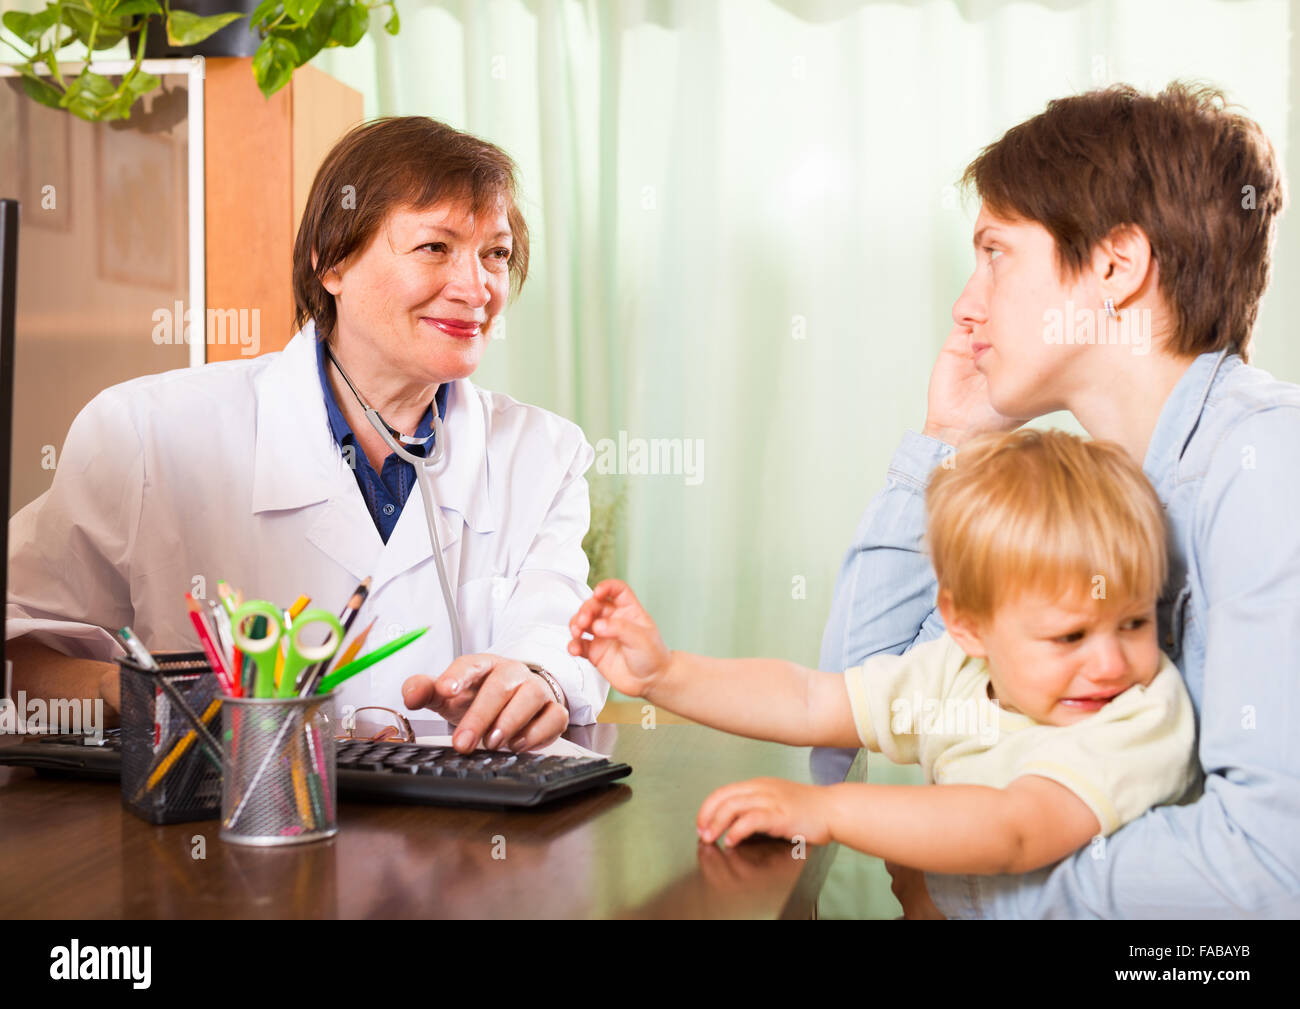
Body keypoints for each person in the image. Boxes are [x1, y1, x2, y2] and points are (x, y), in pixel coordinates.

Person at [820, 82, 1299, 917]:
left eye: (996, 254)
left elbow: (1268, 870)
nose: (967, 309)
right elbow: (859, 701)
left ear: (1115, 266)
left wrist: (967, 879)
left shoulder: (1268, 468)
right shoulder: (1088, 496)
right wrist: (945, 438)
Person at [5, 116, 609, 751]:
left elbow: (557, 636)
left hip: (456, 841)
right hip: (218, 833)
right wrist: (139, 692)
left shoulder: (543, 453)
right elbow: (20, 662)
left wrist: (536, 677)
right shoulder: (147, 433)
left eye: (495, 254)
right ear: (331, 262)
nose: (476, 288)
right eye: (436, 248)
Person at [568, 430, 1200, 875]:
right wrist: (667, 674)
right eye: (1070, 637)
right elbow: (812, 700)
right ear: (968, 626)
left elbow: (1015, 830)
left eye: (1135, 622)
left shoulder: (1139, 713)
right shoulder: (954, 672)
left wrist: (828, 809)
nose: (1111, 663)